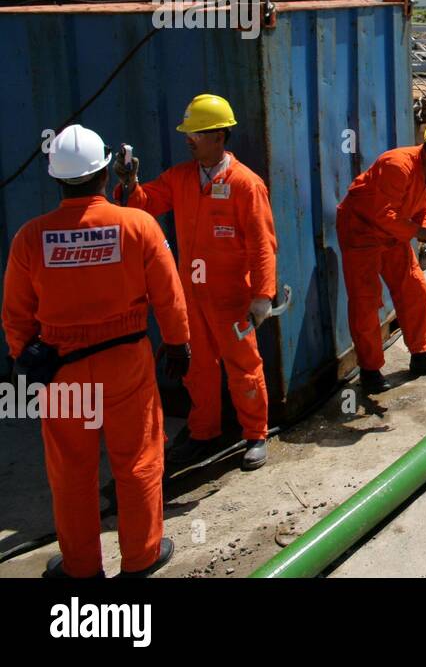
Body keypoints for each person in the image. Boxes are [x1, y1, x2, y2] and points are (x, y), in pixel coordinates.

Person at [3, 125, 190, 578]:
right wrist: (179, 345)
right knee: (138, 461)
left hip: (64, 372)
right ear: (106, 172)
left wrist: (24, 359)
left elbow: (15, 315)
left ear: (57, 179)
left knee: (71, 473)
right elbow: (169, 294)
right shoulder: (137, 225)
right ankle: (142, 557)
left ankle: (82, 567)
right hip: (126, 364)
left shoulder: (31, 237)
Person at [116, 94, 278, 470]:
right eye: (188, 133)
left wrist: (262, 296)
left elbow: (263, 243)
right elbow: (143, 204)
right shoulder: (181, 177)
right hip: (191, 295)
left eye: (197, 133)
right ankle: (203, 432)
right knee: (198, 368)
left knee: (244, 366)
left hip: (231, 298)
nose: (189, 139)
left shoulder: (245, 184)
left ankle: (255, 434)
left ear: (219, 136)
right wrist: (129, 185)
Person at [337, 122, 426, 392]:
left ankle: (420, 355)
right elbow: (383, 215)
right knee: (366, 302)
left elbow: (422, 207)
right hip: (362, 232)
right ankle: (370, 371)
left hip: (394, 232)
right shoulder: (397, 165)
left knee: (414, 288)